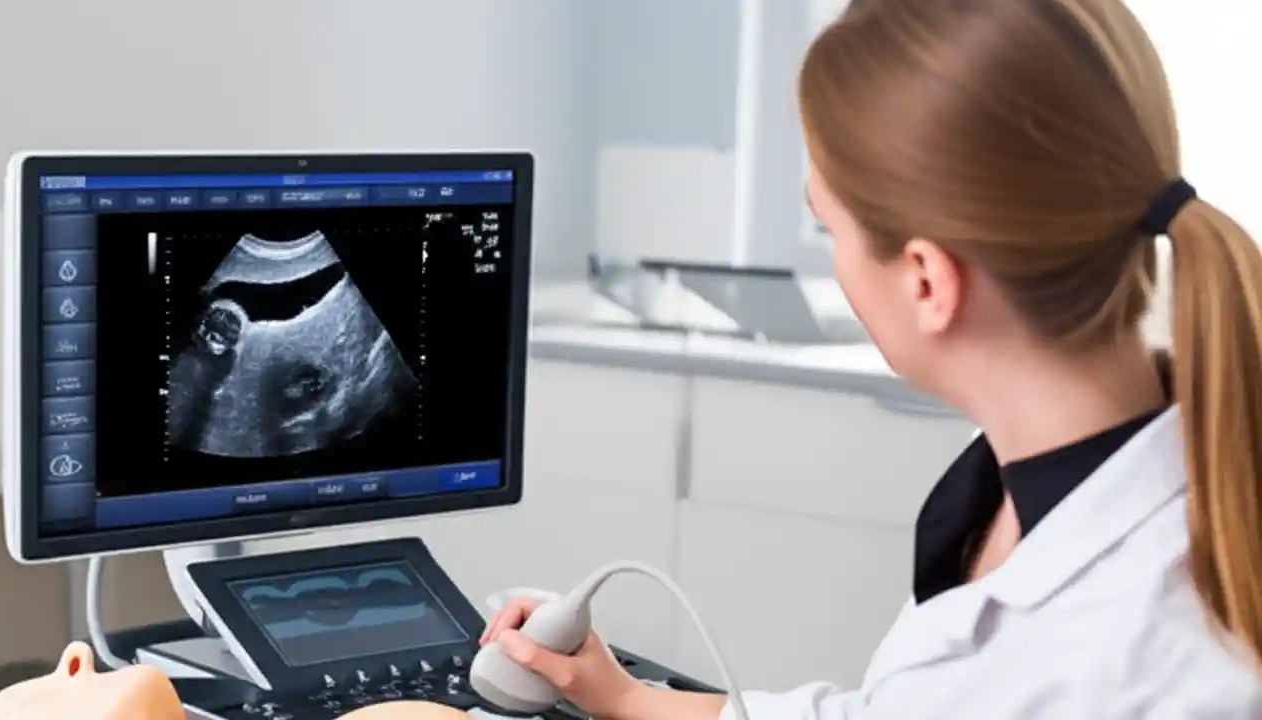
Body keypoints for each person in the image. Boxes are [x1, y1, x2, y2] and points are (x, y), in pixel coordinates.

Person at [482, 0, 1262, 717]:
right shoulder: (1042, 476)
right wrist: (625, 698)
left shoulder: (1163, 667)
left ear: (926, 280)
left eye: (832, 229)